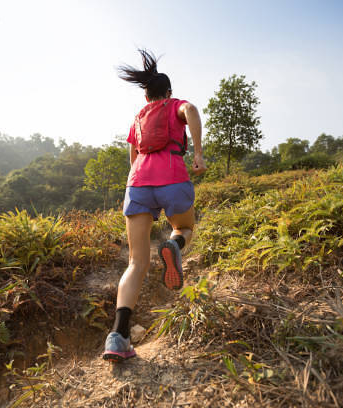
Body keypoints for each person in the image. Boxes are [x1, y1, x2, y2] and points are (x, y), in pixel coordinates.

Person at [102, 49, 207, 362]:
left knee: (136, 262)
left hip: (138, 184)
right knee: (185, 227)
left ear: (146, 95)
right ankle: (174, 245)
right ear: (168, 93)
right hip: (172, 175)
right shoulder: (175, 105)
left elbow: (133, 156)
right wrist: (198, 153)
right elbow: (192, 110)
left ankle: (118, 336)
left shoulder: (138, 118)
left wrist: (138, 182)